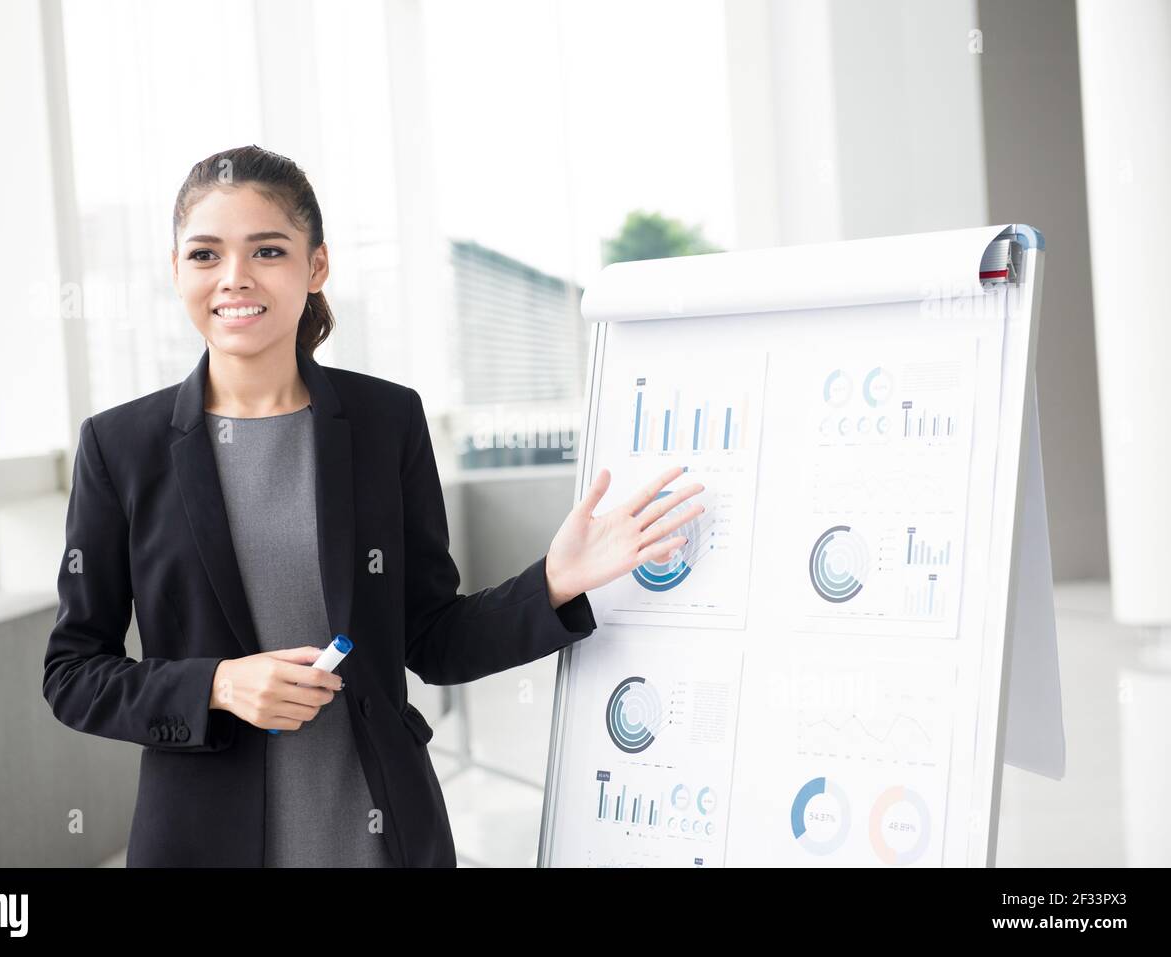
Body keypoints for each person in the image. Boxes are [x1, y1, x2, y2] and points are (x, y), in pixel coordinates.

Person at [41, 144, 705, 867]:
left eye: (267, 250)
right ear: (177, 272)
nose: (234, 277)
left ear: (315, 266)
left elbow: (433, 638)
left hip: (376, 837)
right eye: (205, 255)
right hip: (204, 843)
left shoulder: (386, 422)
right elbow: (73, 673)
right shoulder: (121, 447)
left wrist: (553, 580)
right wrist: (218, 684)